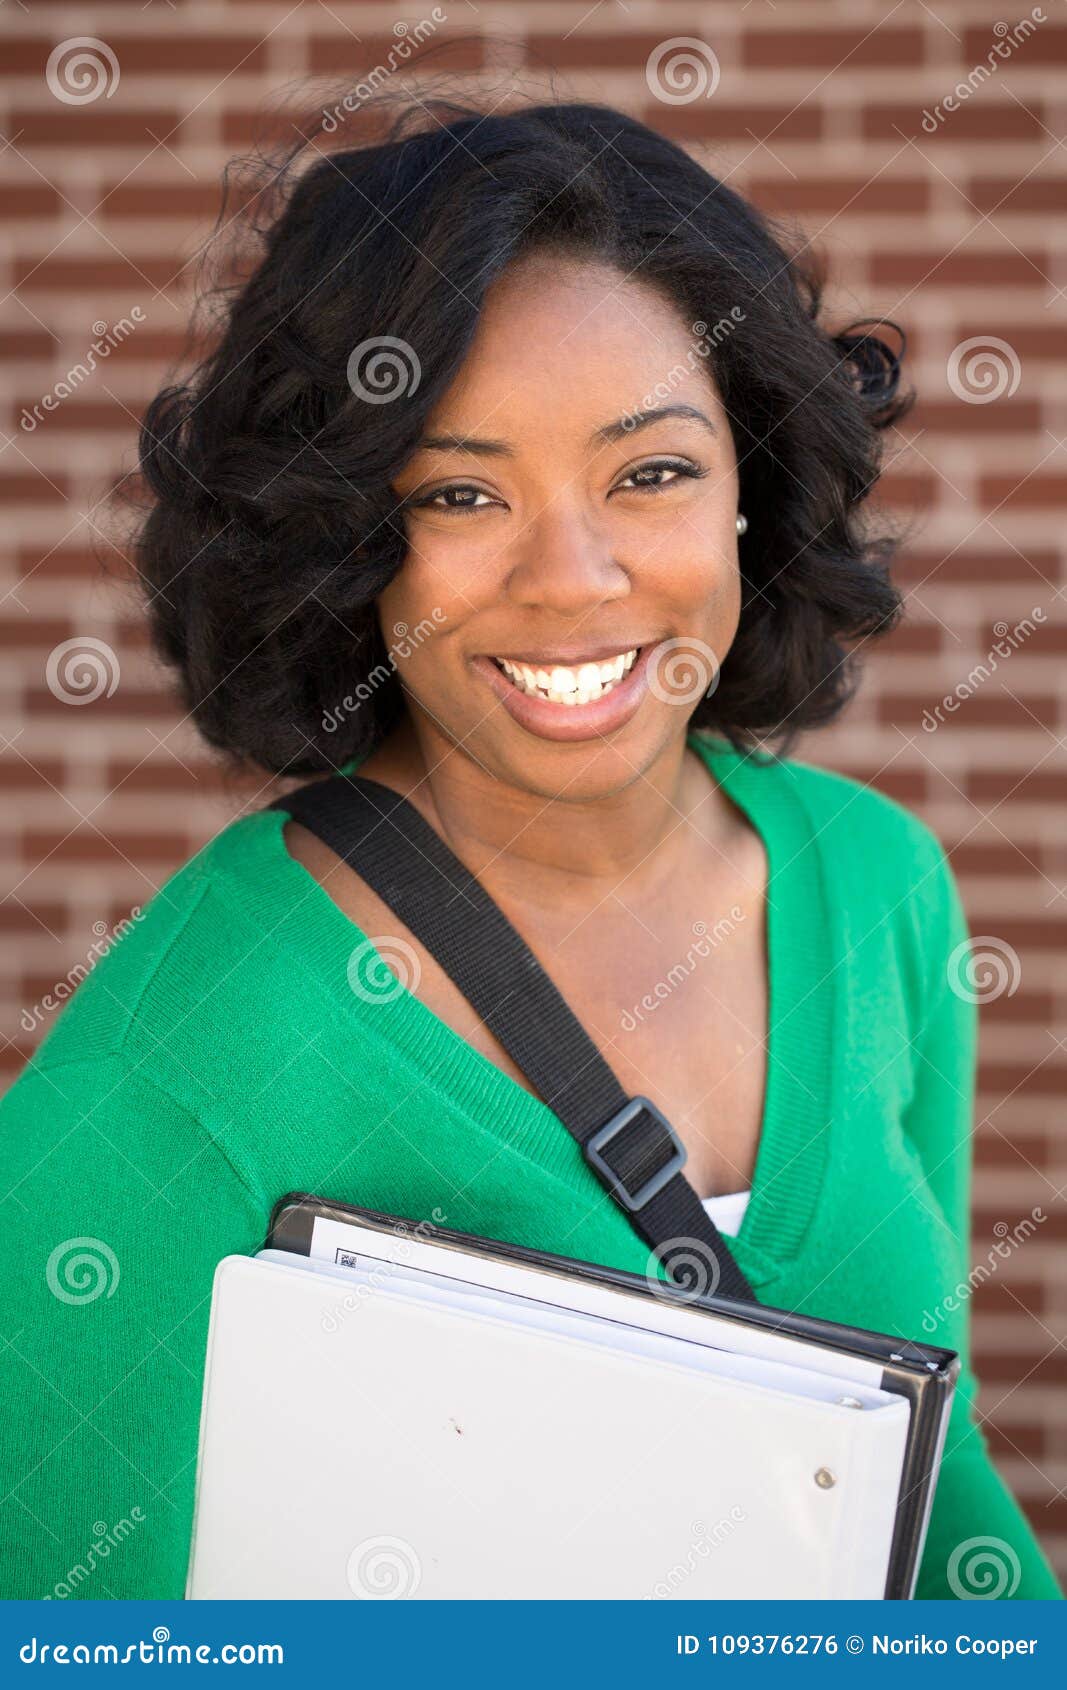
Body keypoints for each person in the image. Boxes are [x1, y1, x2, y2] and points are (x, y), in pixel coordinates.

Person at [0, 94, 1060, 1601]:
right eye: (460, 492)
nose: (573, 580)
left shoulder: (880, 884)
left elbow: (936, 1511)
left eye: (651, 472)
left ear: (752, 483)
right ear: (346, 537)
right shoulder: (180, 1056)